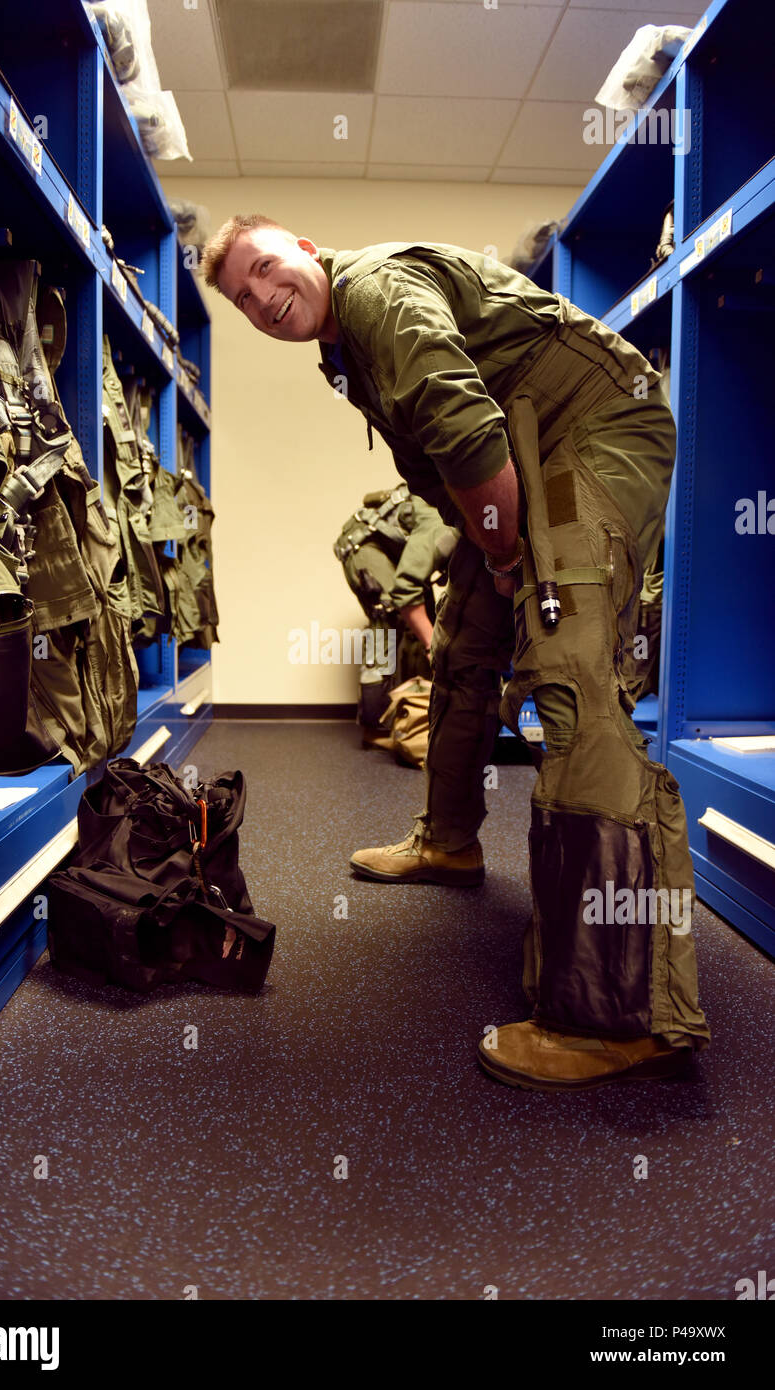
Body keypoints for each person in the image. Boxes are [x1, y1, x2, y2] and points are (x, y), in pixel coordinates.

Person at [201, 215, 710, 1091]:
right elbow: (449, 461)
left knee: (568, 675)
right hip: (530, 452)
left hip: (591, 433)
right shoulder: (342, 347)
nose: (261, 298)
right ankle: (448, 840)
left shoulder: (377, 295)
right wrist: (495, 556)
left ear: (307, 251)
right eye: (243, 300)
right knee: (465, 645)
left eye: (264, 269)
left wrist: (514, 553)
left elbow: (466, 433)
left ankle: (617, 1013)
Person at [333, 482, 456, 740]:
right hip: (364, 545)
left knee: (425, 620)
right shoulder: (443, 527)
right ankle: (375, 724)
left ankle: (417, 714)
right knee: (389, 616)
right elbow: (405, 590)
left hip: (400, 552)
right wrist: (432, 646)